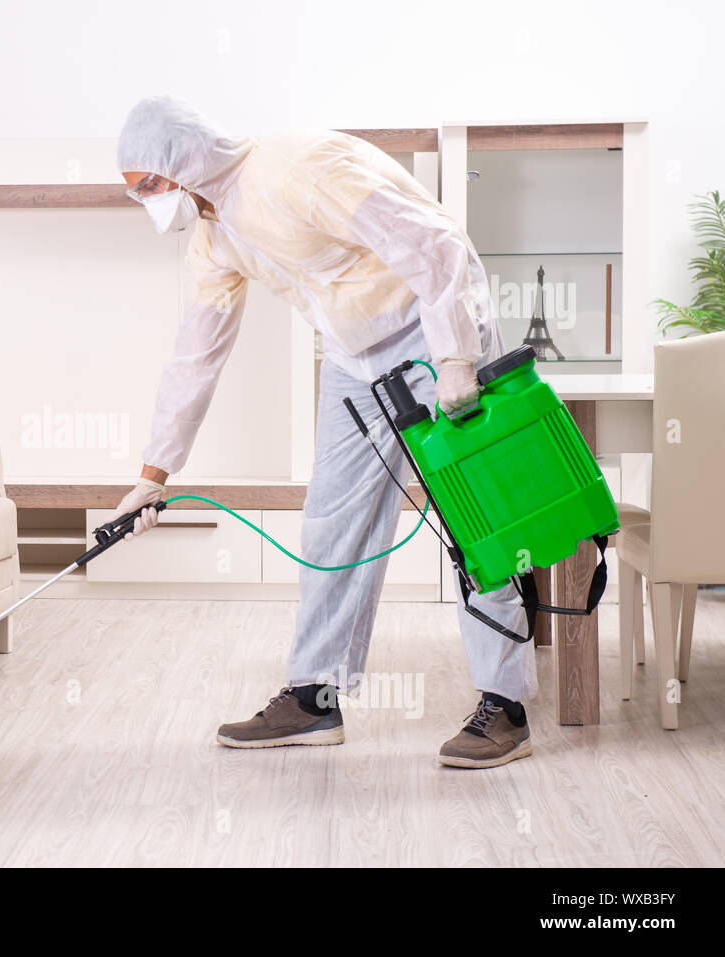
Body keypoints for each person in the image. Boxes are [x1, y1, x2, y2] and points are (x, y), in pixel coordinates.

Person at [115, 95, 533, 769]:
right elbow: (195, 354)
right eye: (136, 192)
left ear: (185, 160)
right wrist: (151, 476)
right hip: (354, 358)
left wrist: (457, 353)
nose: (149, 202)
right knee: (331, 522)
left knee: (474, 522)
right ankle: (315, 697)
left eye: (150, 184)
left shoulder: (296, 170)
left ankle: (506, 706)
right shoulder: (214, 234)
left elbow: (435, 243)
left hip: (430, 329)